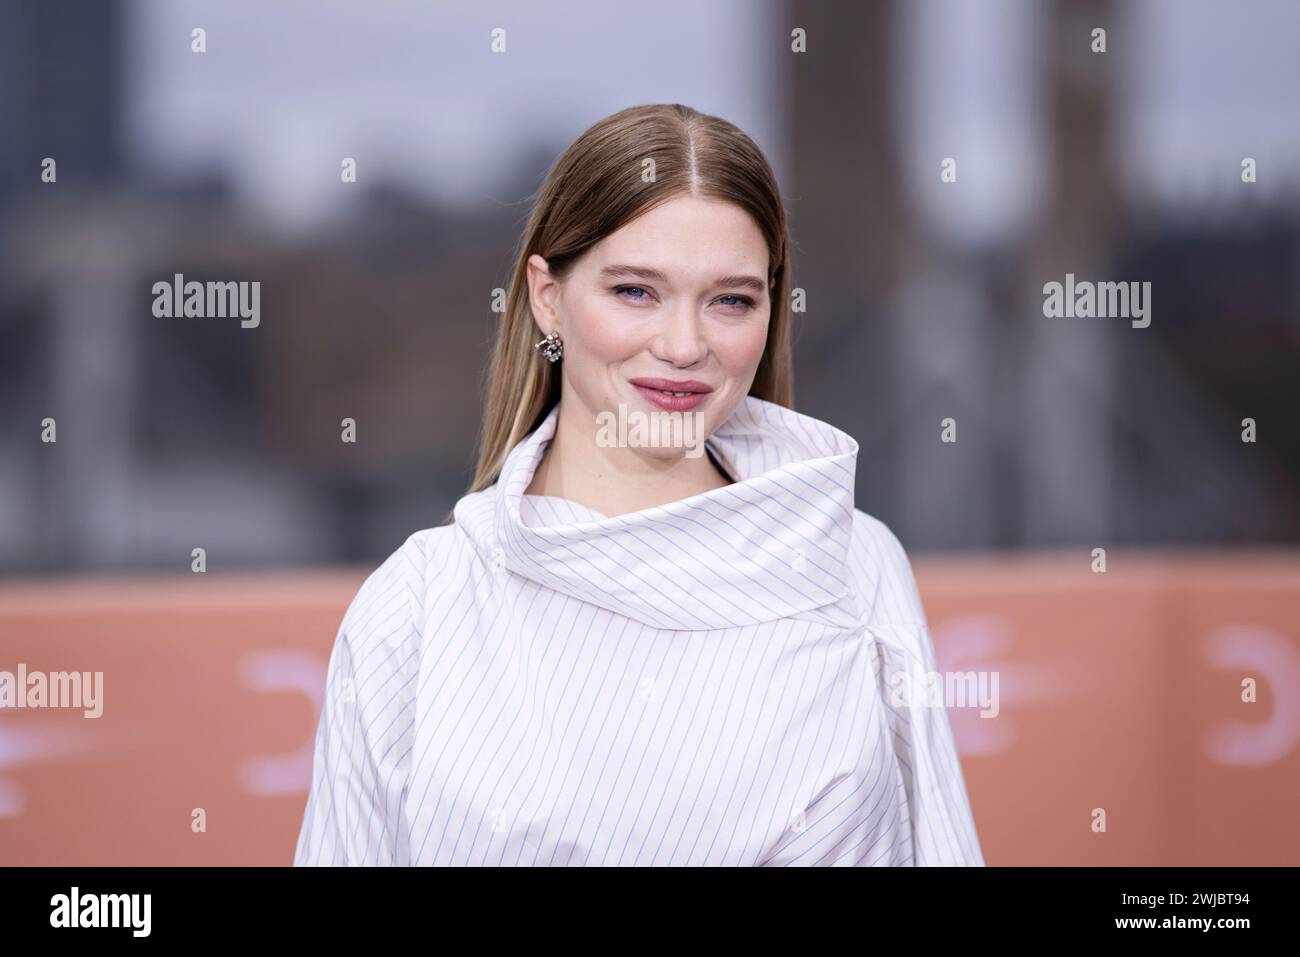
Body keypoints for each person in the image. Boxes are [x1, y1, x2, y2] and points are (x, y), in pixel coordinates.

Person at [294, 103, 984, 866]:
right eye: (635, 291)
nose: (684, 345)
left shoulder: (857, 565)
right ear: (548, 296)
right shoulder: (418, 608)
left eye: (730, 300)